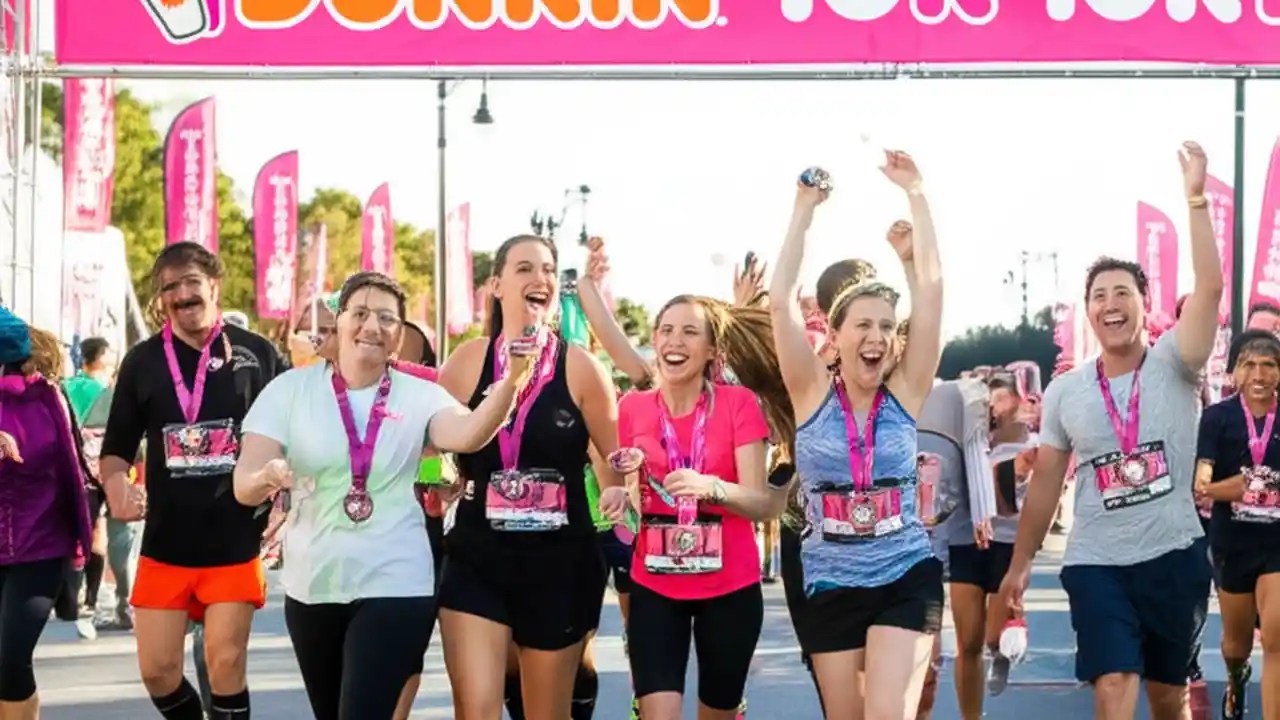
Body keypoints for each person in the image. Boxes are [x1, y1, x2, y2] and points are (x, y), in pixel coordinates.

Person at [999, 142, 1220, 720]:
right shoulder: (1068, 392)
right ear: (1089, 314)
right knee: (1114, 683)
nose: (1110, 303)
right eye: (1099, 296)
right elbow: (1047, 479)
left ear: (1145, 306)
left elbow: (1213, 291)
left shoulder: (1177, 360)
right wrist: (1020, 564)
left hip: (1174, 555)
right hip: (1096, 560)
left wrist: (1195, 201)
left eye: (1123, 292)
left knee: (1169, 698)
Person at [235, 271, 520, 718]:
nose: (373, 326)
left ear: (399, 334)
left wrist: (512, 382)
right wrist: (268, 474)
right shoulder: (289, 390)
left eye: (387, 318)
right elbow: (244, 484)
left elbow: (468, 434)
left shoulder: (422, 395)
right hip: (314, 583)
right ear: (340, 320)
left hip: (397, 579)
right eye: (361, 313)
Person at [769, 153, 945, 718]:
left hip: (905, 573)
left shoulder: (906, 391)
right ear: (837, 335)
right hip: (830, 581)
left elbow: (934, 295)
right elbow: (779, 303)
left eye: (887, 328)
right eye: (863, 325)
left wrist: (916, 193)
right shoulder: (810, 392)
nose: (877, 337)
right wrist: (803, 211)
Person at [435, 234, 629, 720]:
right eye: (524, 268)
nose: (539, 278)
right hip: (478, 557)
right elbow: (431, 447)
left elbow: (614, 459)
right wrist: (440, 480)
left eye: (547, 269)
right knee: (475, 711)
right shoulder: (466, 363)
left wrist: (617, 491)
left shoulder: (581, 367)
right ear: (495, 286)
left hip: (560, 562)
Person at [100, 242, 283, 720]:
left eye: (191, 282)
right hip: (166, 542)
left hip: (235, 538)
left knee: (225, 660)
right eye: (169, 287)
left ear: (214, 285)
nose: (182, 294)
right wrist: (117, 487)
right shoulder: (142, 362)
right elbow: (116, 448)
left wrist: (283, 499)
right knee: (158, 670)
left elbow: (290, 433)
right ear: (161, 300)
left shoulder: (256, 354)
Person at [619, 294, 786, 720]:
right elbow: (627, 498)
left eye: (690, 332)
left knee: (718, 713)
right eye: (667, 330)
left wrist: (712, 487)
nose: (676, 341)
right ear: (654, 340)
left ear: (712, 350)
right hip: (655, 583)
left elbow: (762, 503)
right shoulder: (632, 407)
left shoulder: (738, 403)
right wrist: (618, 498)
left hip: (729, 587)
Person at [0, 311, 95, 719]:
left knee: (10, 660)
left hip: (38, 547)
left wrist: (83, 542)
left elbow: (73, 473)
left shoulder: (47, 399)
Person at [1193, 329, 1280, 720]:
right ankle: (1235, 678)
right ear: (1234, 374)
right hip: (1232, 544)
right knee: (1236, 644)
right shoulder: (1216, 418)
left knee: (1277, 640)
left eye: (1269, 365)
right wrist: (1236, 488)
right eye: (1249, 365)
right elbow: (1202, 486)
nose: (1259, 374)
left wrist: (1254, 485)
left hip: (1276, 545)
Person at [62, 336, 115, 627]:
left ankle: (69, 599)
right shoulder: (103, 391)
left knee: (74, 532)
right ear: (100, 357)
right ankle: (92, 598)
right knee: (100, 533)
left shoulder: (67, 386)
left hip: (71, 467)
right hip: (101, 469)